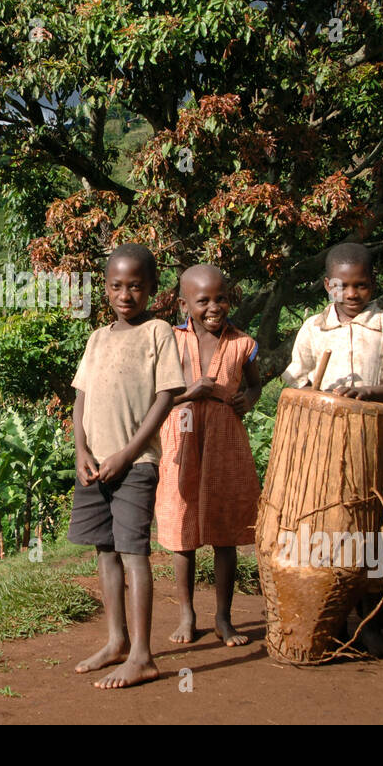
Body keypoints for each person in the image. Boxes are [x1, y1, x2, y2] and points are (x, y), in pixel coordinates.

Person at [281, 242, 383, 655]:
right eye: (342, 286)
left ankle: (370, 622)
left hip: (373, 445)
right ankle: (331, 619)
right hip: (324, 451)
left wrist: (368, 391)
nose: (351, 294)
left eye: (360, 286)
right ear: (328, 285)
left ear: (372, 284)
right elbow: (298, 381)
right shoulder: (313, 328)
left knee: (371, 527)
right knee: (328, 529)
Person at [69, 243, 185, 688]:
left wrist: (129, 453)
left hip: (135, 464)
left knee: (134, 550)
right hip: (94, 465)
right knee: (105, 549)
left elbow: (166, 397)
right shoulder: (97, 337)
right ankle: (116, 640)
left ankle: (142, 655)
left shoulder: (158, 333)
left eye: (136, 285)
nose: (125, 294)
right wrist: (81, 450)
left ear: (152, 289)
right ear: (105, 288)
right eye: (116, 285)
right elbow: (81, 400)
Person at [156, 264, 261, 646]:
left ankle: (223, 618)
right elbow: (159, 395)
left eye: (222, 298)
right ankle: (187, 615)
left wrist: (245, 401)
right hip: (180, 440)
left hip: (225, 441)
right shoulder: (168, 340)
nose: (214, 307)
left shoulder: (243, 344)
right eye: (203, 301)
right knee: (181, 530)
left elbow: (255, 386)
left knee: (224, 531)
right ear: (184, 303)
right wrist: (189, 393)